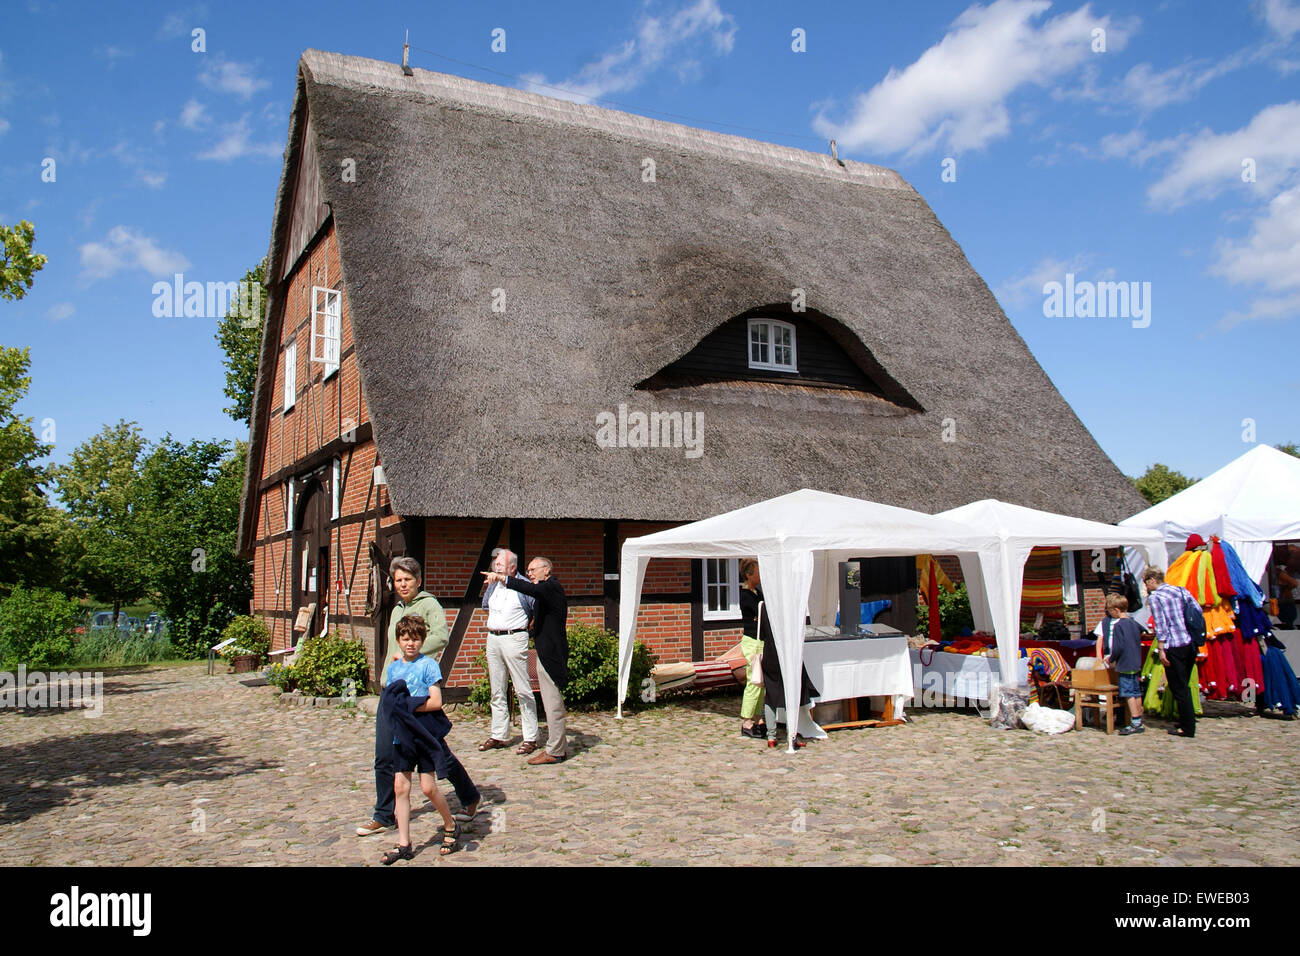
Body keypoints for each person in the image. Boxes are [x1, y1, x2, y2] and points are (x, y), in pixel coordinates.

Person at [357, 557, 479, 836]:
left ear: (418, 581)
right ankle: (383, 814)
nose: (402, 584)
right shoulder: (396, 609)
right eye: (398, 580)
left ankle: (470, 796)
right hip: (392, 692)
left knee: (437, 752)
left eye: (407, 580)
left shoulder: (429, 604)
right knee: (384, 754)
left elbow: (442, 636)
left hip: (417, 695)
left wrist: (415, 654)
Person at [377, 614, 468, 863]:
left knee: (428, 787)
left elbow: (436, 701)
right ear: (398, 640)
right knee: (401, 787)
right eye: (405, 639)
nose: (410, 644)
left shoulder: (429, 665)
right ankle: (404, 843)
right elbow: (390, 700)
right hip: (403, 734)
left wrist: (408, 705)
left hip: (424, 732)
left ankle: (450, 825)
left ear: (422, 641)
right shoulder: (394, 668)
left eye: (415, 639)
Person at [482, 556, 568, 764]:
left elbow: (531, 590)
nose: (529, 573)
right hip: (544, 651)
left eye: (533, 569)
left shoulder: (551, 586)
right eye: (528, 570)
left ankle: (556, 751)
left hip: (552, 654)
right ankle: (556, 747)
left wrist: (503, 579)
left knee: (552, 702)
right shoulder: (545, 589)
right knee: (549, 701)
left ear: (546, 570)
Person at [745, 561, 820, 749]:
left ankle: (771, 737)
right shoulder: (788, 609)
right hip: (785, 655)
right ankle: (790, 735)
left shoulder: (765, 606)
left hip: (769, 655)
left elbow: (760, 633)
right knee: (789, 694)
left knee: (770, 696)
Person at [478, 548, 541, 754]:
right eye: (495, 563)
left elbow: (535, 608)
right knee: (497, 690)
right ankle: (499, 734)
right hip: (493, 638)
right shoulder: (494, 584)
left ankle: (531, 737)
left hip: (515, 637)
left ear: (512, 567)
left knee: (523, 689)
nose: (495, 567)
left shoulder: (522, 586)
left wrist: (527, 630)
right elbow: (486, 605)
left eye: (500, 564)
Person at [1142, 567, 1198, 738]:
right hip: (1189, 642)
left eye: (1146, 582)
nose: (1146, 587)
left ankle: (1187, 728)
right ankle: (1185, 719)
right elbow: (1197, 611)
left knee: (1178, 687)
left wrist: (1161, 648)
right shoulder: (1180, 590)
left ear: (1152, 580)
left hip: (1173, 644)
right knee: (1184, 683)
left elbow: (1161, 625)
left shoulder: (1156, 597)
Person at [1097, 593, 1146, 735]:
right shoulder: (1134, 623)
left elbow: (1118, 647)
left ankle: (1135, 721)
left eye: (1110, 610)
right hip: (1136, 661)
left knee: (1128, 693)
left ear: (1116, 610)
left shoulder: (1119, 626)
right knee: (1136, 692)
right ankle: (1139, 719)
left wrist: (1110, 658)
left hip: (1125, 663)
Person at [737, 558, 767, 739]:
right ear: (749, 575)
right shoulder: (746, 595)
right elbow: (759, 612)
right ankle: (746, 721)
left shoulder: (758, 592)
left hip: (760, 640)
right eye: (757, 571)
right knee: (754, 681)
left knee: (760, 683)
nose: (760, 575)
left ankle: (757, 718)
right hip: (752, 641)